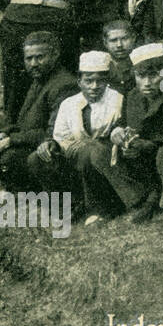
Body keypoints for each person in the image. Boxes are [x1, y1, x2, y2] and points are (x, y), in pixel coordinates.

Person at [90, 43, 163, 225]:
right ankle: (141, 199)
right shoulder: (133, 96)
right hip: (142, 154)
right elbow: (125, 122)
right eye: (141, 76)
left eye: (153, 75)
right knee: (100, 152)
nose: (146, 83)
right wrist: (119, 134)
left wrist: (146, 145)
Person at [37, 50, 124, 224]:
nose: (94, 86)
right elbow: (62, 136)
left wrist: (85, 146)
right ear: (79, 81)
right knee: (38, 158)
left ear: (107, 82)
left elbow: (115, 131)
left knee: (88, 153)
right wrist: (52, 145)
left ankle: (100, 209)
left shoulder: (116, 100)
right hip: (75, 153)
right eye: (88, 81)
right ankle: (65, 207)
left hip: (106, 156)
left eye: (100, 81)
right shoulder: (69, 104)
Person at [0, 31, 77, 192]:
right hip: (31, 141)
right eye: (29, 58)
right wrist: (4, 133)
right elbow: (24, 122)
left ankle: (33, 192)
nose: (33, 63)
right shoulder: (38, 79)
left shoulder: (63, 85)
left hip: (51, 148)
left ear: (55, 55)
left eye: (40, 57)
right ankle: (18, 189)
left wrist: (11, 140)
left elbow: (52, 134)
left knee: (10, 157)